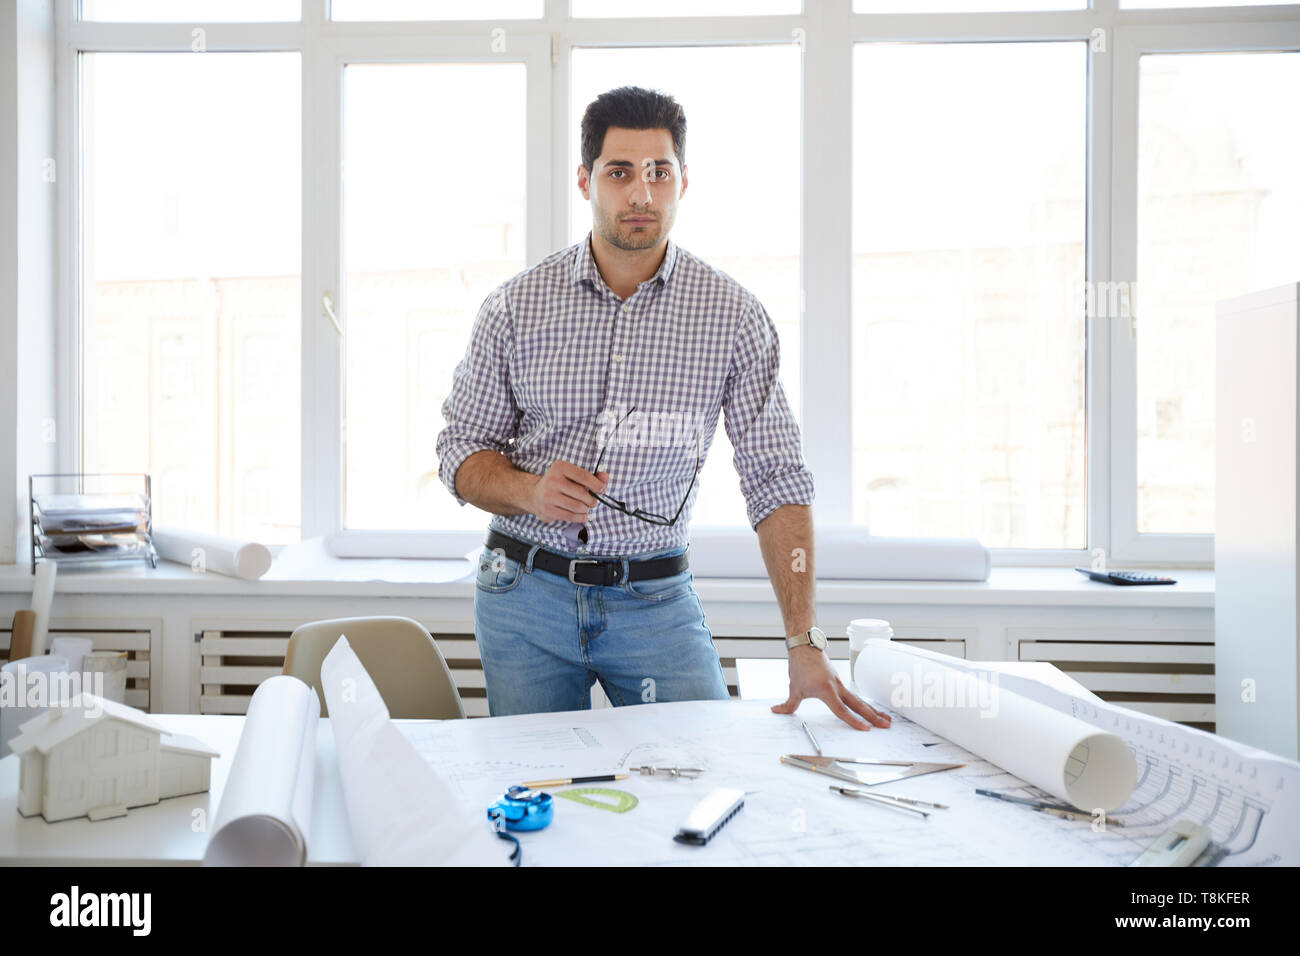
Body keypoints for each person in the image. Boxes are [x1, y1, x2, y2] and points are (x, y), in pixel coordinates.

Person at [436, 85, 889, 732]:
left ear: (683, 182)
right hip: (523, 599)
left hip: (655, 602)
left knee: (697, 780)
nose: (641, 193)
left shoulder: (733, 317)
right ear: (585, 180)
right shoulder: (514, 308)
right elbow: (460, 451)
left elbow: (777, 480)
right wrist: (530, 491)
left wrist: (803, 643)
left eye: (659, 172)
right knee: (541, 793)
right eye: (619, 172)